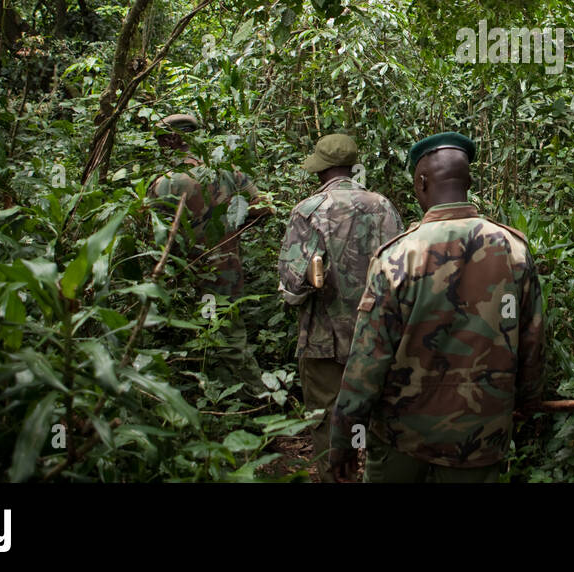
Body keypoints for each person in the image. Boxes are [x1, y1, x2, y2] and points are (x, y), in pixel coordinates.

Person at [327, 132, 545, 483]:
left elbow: (367, 362)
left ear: (422, 181)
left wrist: (345, 438)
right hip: (481, 436)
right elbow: (533, 344)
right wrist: (524, 406)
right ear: (467, 181)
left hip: (403, 439)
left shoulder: (397, 256)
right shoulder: (513, 250)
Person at [277, 133, 404, 481]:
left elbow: (292, 286)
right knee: (380, 415)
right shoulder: (384, 206)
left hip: (324, 340)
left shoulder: (308, 211)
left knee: (325, 418)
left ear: (322, 170)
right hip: (379, 335)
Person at [149, 113, 272, 397]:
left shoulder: (166, 183)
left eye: (161, 140)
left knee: (213, 333)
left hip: (187, 272)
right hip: (228, 267)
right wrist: (232, 231)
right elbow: (263, 207)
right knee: (225, 330)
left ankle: (255, 395)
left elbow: (156, 235)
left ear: (172, 139)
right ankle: (229, 395)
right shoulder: (230, 172)